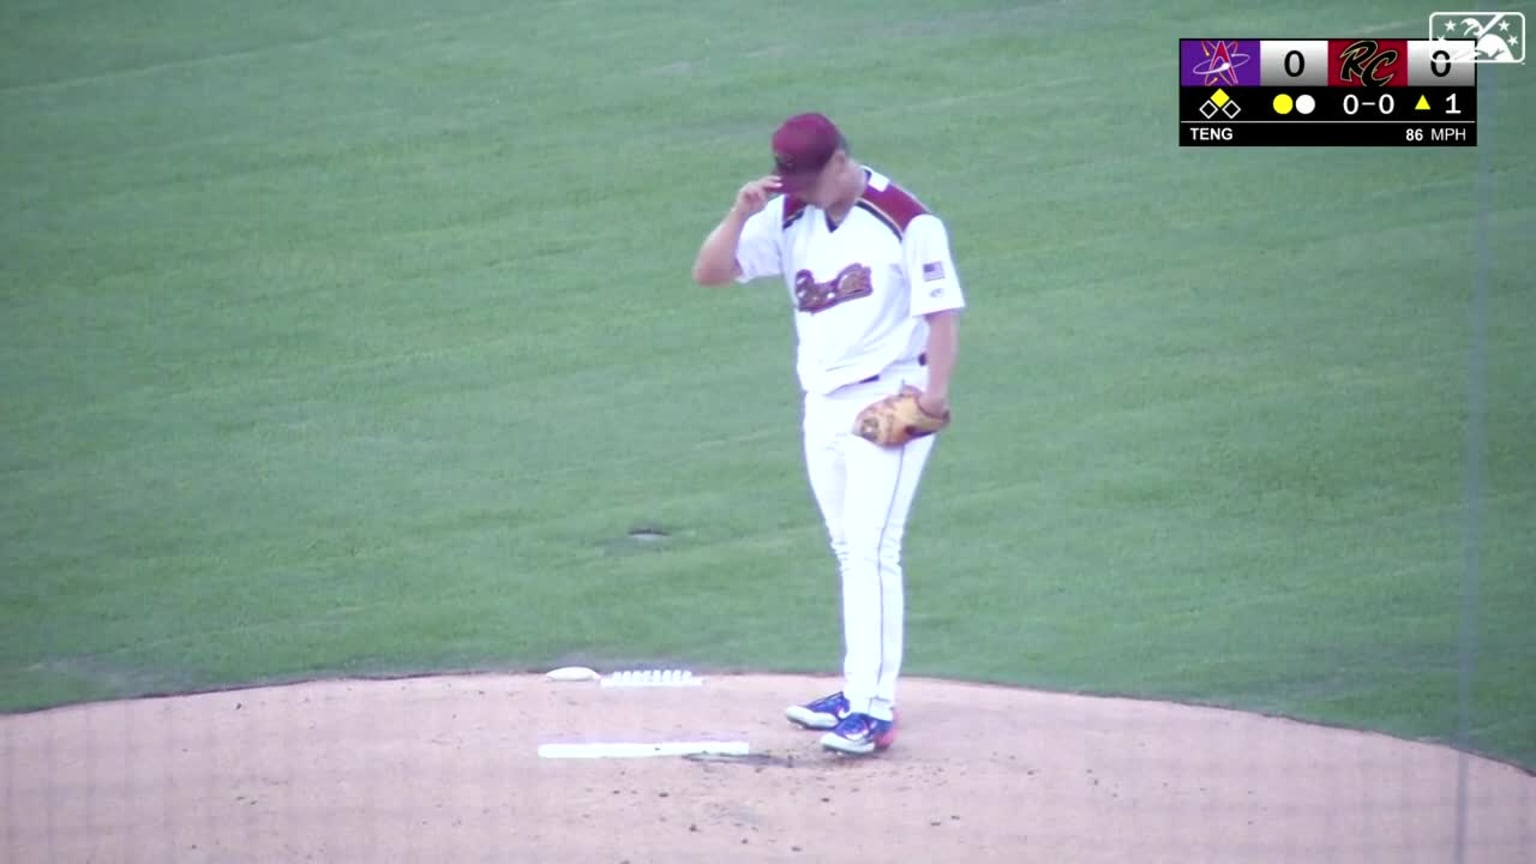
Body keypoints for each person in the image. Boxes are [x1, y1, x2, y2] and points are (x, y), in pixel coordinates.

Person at [691, 112, 967, 755]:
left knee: (874, 549)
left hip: (888, 397)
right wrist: (738, 214)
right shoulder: (788, 213)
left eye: (812, 180)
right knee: (849, 549)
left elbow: (942, 314)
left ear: (841, 162)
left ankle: (873, 709)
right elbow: (710, 272)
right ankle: (855, 688)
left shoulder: (907, 220)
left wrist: (931, 400)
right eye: (795, 183)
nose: (804, 192)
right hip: (821, 402)